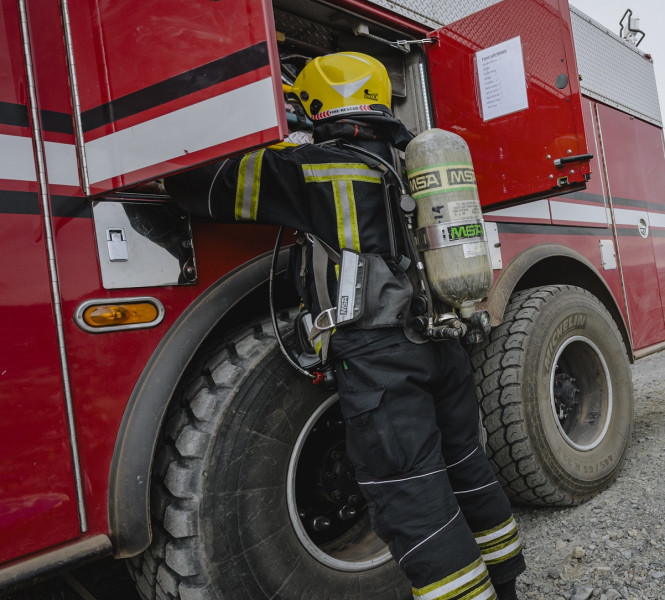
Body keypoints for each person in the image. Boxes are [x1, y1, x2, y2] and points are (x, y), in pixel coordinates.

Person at [167, 52, 525, 598]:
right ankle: (507, 581)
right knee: (466, 466)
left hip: (381, 359)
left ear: (315, 103)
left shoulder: (309, 166)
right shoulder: (416, 159)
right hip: (443, 344)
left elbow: (199, 184)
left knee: (412, 497)